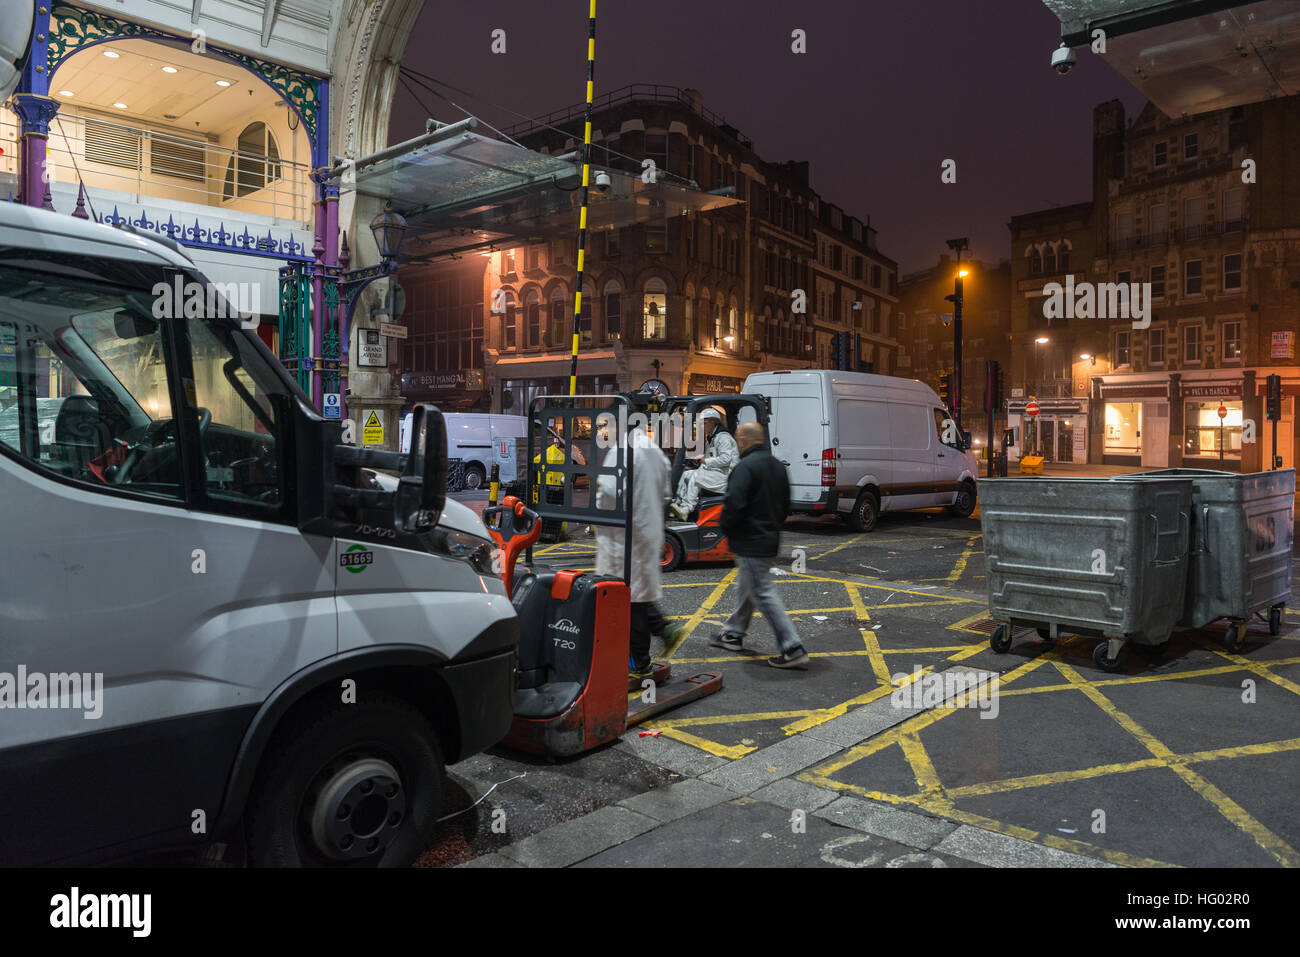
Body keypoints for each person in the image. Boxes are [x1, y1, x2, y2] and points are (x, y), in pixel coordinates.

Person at [710, 421, 810, 669]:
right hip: (769, 537)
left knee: (762, 591)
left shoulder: (745, 467)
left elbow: (734, 503)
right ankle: (733, 634)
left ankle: (792, 647)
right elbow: (786, 503)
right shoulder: (776, 465)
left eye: (737, 439)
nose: (736, 443)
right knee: (748, 587)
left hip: (750, 540)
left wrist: (726, 528)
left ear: (744, 439)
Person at [594, 412, 673, 681]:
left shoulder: (622, 451)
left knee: (630, 600)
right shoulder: (653, 450)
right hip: (648, 532)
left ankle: (640, 664)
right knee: (637, 595)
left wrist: (595, 509)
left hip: (625, 537)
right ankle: (662, 629)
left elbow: (606, 493)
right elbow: (666, 493)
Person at [668, 407, 738, 520]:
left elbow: (726, 459)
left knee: (696, 477)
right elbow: (709, 457)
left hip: (726, 477)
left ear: (713, 422)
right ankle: (678, 504)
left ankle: (687, 508)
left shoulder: (723, 438)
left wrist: (705, 461)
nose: (701, 426)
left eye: (704, 423)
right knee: (686, 474)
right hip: (717, 473)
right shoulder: (712, 438)